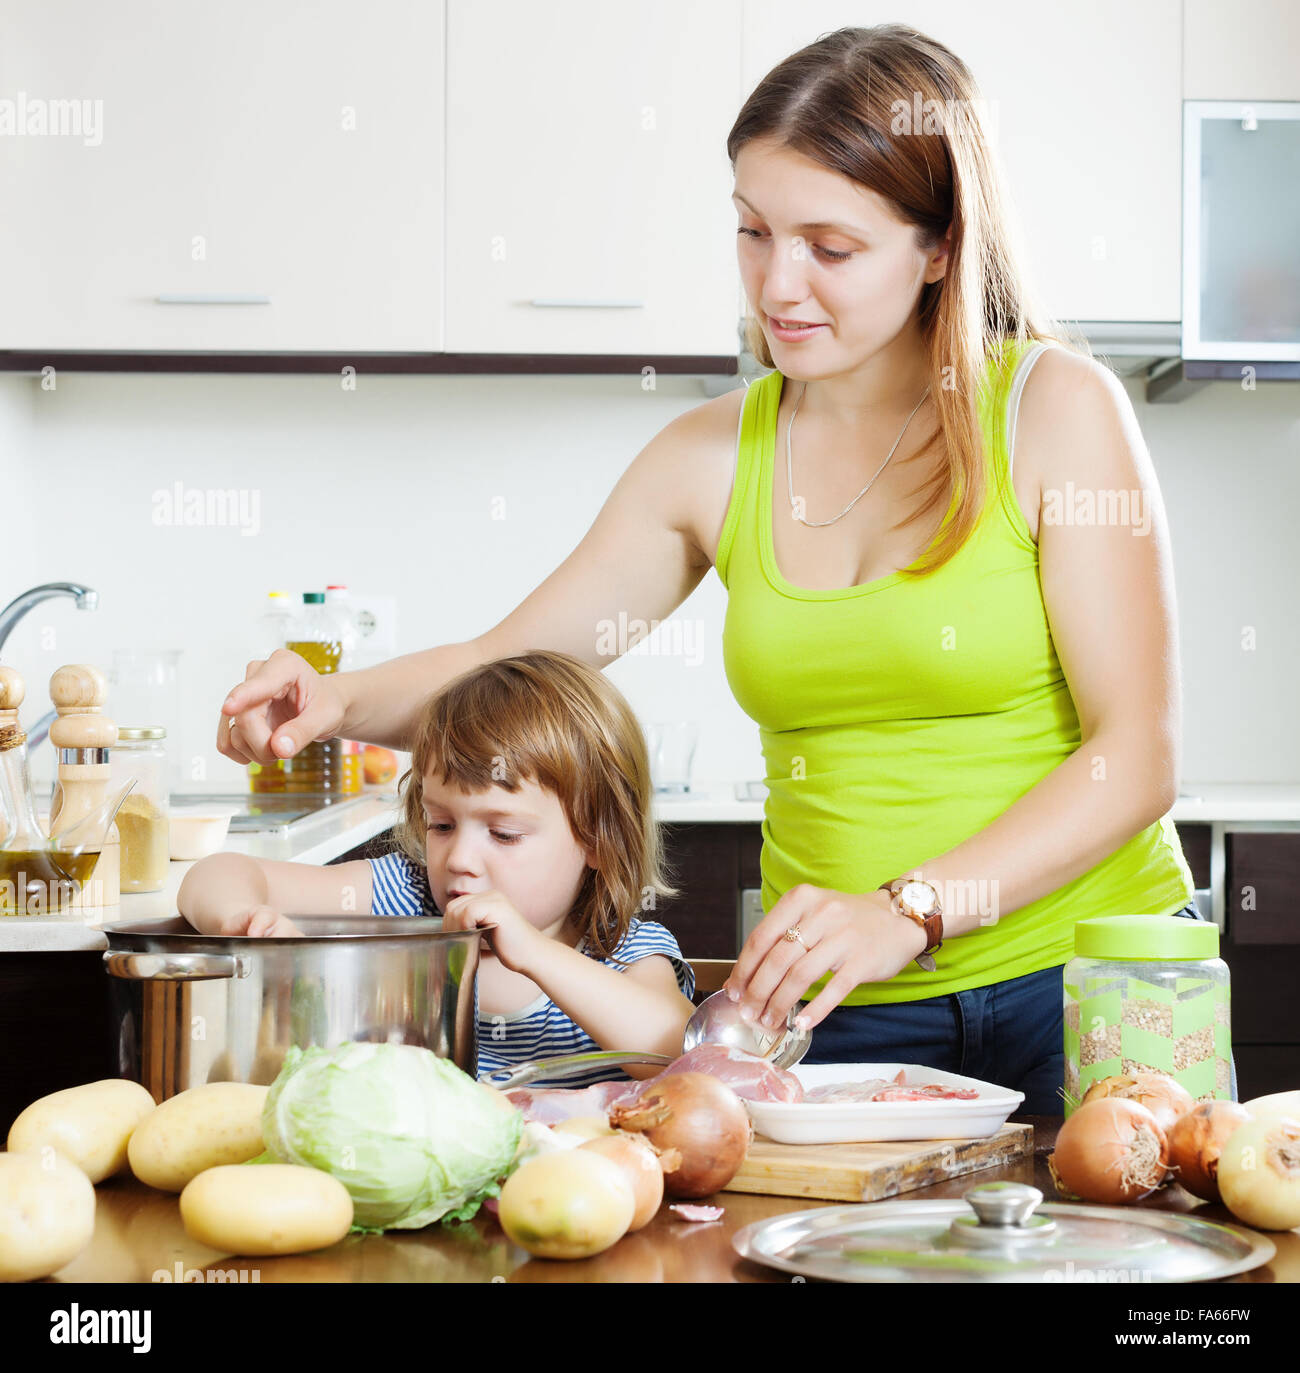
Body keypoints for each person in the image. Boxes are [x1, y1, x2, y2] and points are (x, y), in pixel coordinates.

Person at [217, 25, 1201, 1112]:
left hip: (1087, 983)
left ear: (937, 247)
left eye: (829, 247)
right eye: (752, 231)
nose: (778, 284)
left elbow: (1135, 757)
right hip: (832, 999)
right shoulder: (711, 458)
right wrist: (336, 700)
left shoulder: (1054, 409)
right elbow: (514, 662)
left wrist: (907, 908)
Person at [185, 651, 696, 1085]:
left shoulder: (624, 952)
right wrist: (243, 921)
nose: (459, 859)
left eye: (503, 834)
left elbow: (682, 1051)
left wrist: (536, 953)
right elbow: (215, 875)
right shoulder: (403, 899)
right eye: (442, 825)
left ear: (598, 841)